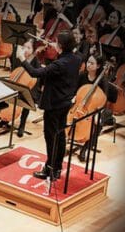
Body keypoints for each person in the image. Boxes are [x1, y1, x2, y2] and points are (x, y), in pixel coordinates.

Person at [17, 31, 82, 179]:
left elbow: (34, 73)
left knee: (51, 137)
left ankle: (50, 169)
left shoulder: (60, 64)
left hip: (54, 104)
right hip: (66, 102)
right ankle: (57, 168)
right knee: (60, 136)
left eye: (57, 42)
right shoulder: (76, 59)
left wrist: (22, 58)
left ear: (61, 46)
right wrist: (59, 49)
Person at [75, 54, 117, 162]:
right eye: (88, 62)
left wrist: (97, 113)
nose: (88, 65)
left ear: (98, 66)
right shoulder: (82, 76)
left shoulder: (103, 81)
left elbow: (104, 100)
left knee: (97, 124)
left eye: (91, 63)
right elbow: (75, 91)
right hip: (81, 105)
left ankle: (85, 149)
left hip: (97, 108)